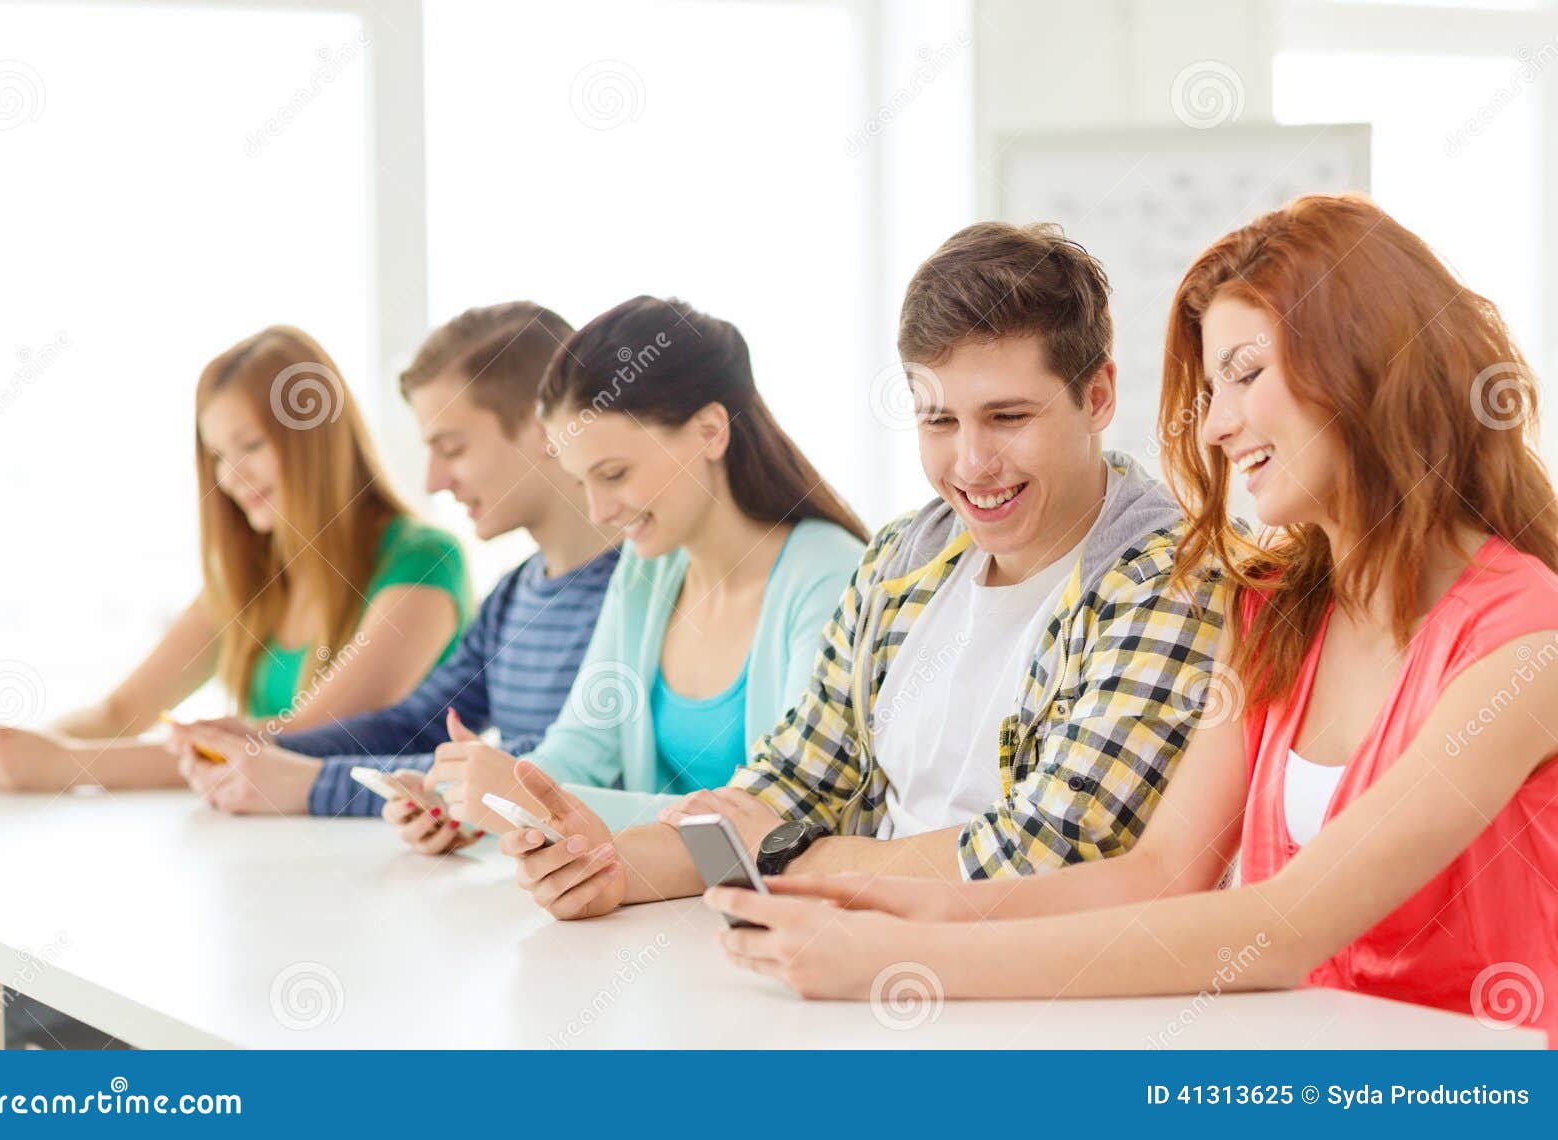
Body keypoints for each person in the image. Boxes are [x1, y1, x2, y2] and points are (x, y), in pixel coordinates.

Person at [702, 195, 1558, 1046]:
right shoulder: (1273, 611)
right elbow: (1156, 876)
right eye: (1212, 389)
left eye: (1246, 375)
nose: (1216, 425)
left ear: (1366, 363)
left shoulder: (1526, 640)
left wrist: (900, 960)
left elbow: (1286, 926)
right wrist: (871, 902)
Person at [498, 223, 1230, 920]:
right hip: (861, 954)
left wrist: (797, 858)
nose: (972, 463)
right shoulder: (903, 560)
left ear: (1097, 398)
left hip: (1030, 985)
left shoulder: (1169, 579)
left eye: (1008, 417)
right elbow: (782, 792)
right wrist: (615, 870)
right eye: (939, 421)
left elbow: (1051, 851)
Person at [379, 295, 869, 855]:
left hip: (754, 903)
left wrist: (538, 806)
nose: (599, 511)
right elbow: (579, 749)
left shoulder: (828, 577)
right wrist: (480, 805)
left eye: (613, 474)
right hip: (648, 899)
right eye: (582, 481)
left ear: (710, 431)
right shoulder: (647, 569)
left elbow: (778, 819)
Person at [0, 326, 471, 794]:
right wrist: (0, 757)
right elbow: (120, 711)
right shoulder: (251, 577)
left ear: (318, 440)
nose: (231, 477)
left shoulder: (423, 561)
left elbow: (300, 740)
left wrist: (67, 767)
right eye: (219, 456)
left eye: (251, 445)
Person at [167, 303, 623, 821]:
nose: (433, 480)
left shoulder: (637, 593)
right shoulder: (512, 597)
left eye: (452, 448)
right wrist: (268, 744)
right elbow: (413, 725)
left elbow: (544, 774)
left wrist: (310, 784)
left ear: (545, 429)